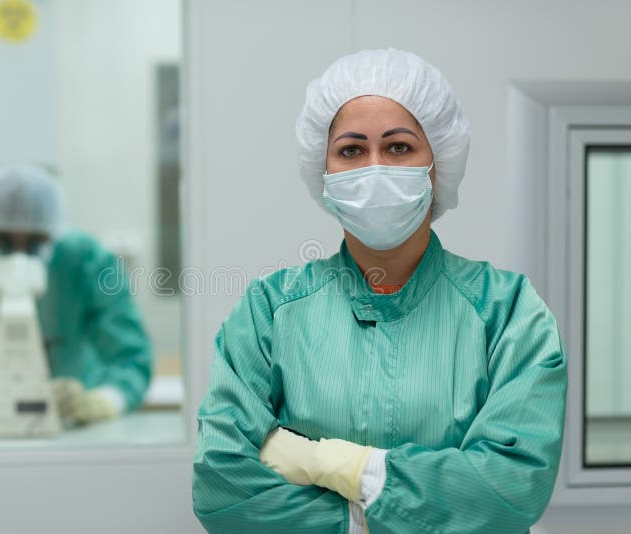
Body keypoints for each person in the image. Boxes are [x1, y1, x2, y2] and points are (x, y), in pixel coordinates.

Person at [192, 49, 567, 533]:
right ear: (323, 173)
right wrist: (386, 512)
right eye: (351, 150)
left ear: (438, 163)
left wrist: (334, 466)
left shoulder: (508, 313)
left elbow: (509, 489)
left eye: (398, 148)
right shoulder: (270, 311)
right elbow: (222, 487)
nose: (375, 168)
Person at [0, 163, 152, 431]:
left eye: (35, 243)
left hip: (71, 426)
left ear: (54, 233)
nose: (19, 255)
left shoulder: (88, 262)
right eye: (4, 242)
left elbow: (131, 360)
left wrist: (101, 402)